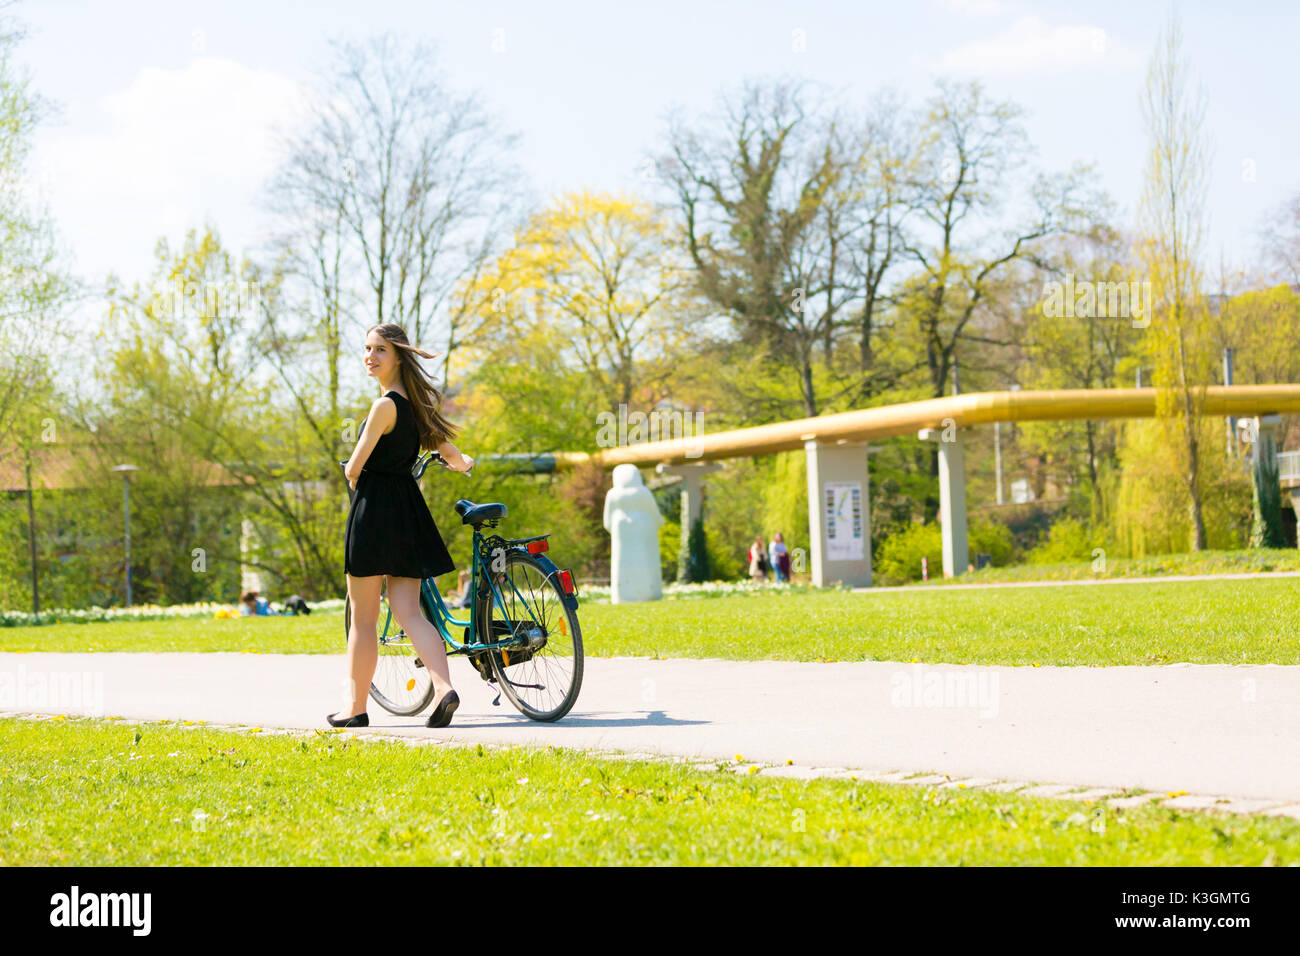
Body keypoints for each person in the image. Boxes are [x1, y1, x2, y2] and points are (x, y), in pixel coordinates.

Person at [330, 323, 475, 731]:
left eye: (380, 349)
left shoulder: (384, 406)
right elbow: (450, 453)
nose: (370, 356)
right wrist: (464, 463)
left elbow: (355, 467)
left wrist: (351, 473)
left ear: (398, 357)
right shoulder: (417, 407)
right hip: (408, 512)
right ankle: (444, 689)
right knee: (409, 611)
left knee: (363, 619)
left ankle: (355, 708)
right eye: (367, 349)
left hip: (373, 512)